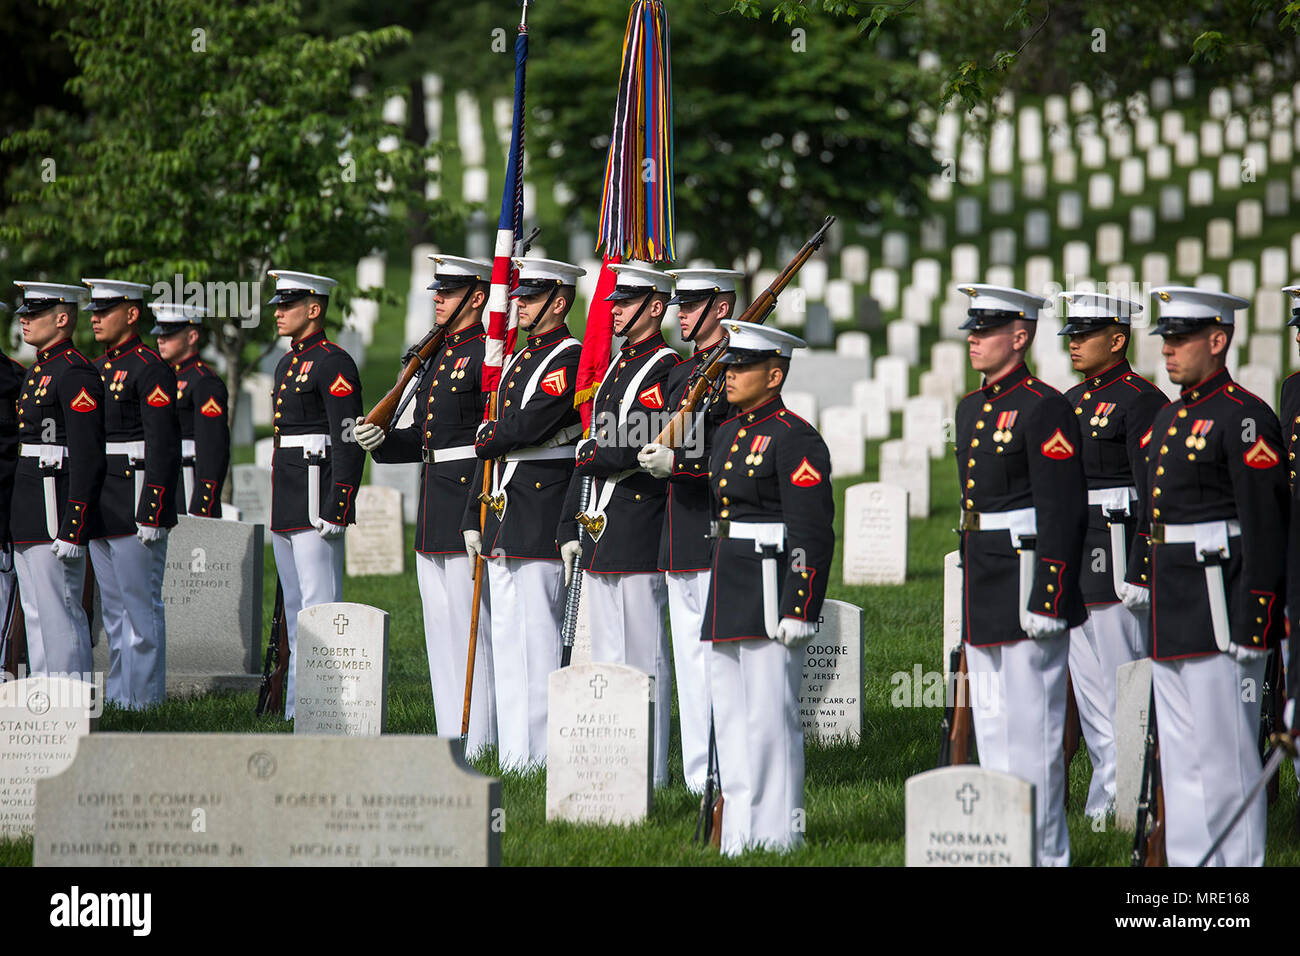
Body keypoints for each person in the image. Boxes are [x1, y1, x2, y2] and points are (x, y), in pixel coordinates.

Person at [1130, 286, 1286, 867]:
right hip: (1174, 607)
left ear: (1218, 340)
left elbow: (1266, 528)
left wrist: (1256, 623)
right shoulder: (1171, 416)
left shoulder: (1245, 418)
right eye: (1165, 339)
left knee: (1226, 761)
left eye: (1182, 339)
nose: (1168, 350)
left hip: (1222, 610)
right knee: (1184, 757)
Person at [954, 283, 1087, 867]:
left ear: (1021, 335)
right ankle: (1005, 848)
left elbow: (1063, 507)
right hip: (983, 573)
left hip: (1029, 572)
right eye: (972, 330)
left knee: (1033, 730)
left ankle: (1047, 852)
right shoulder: (970, 406)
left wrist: (1050, 591)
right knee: (992, 725)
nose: (974, 339)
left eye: (986, 330)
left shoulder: (1045, 406)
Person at [355, 254, 497, 753]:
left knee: (469, 629)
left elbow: (488, 440)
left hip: (465, 499)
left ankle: (478, 739)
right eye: (436, 289)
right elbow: (422, 436)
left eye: (449, 290)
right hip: (433, 496)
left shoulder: (486, 354)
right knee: (439, 630)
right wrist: (381, 440)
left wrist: (474, 509)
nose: (436, 296)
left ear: (477, 297)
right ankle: (448, 736)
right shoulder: (437, 354)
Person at [702, 321, 833, 855]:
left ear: (774, 374)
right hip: (729, 579)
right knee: (731, 717)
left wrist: (800, 602)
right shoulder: (730, 431)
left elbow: (811, 530)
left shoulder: (794, 437)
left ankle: (780, 833)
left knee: (770, 718)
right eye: (729, 365)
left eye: (742, 366)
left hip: (768, 583)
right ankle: (738, 833)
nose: (729, 374)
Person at [558, 261, 679, 788]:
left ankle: (649, 771)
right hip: (603, 524)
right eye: (614, 303)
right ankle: (616, 762)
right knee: (609, 653)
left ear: (656, 306)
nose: (616, 311)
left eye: (627, 302)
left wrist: (594, 453)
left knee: (642, 651)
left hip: (636, 520)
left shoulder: (664, 366)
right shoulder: (618, 366)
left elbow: (650, 439)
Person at [461, 257, 585, 769]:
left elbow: (532, 423)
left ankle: (539, 755)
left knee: (536, 636)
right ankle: (516, 754)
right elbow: (497, 433)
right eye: (520, 296)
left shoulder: (568, 355)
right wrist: (474, 513)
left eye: (530, 298)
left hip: (540, 500)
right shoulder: (518, 356)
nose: (520, 305)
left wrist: (492, 436)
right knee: (509, 637)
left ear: (558, 302)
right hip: (507, 503)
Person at [1057, 291, 1167, 822]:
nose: (1073, 342)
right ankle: (1107, 797)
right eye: (1071, 334)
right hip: (1078, 557)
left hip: (1118, 558)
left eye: (1085, 334)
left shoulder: (1141, 400)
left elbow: (1153, 491)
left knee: (1123, 682)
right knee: (1091, 690)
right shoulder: (1073, 399)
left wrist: (1142, 566)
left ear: (1117, 340)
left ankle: (1129, 796)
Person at [636, 266, 741, 793]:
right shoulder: (681, 373)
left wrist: (677, 463)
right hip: (677, 532)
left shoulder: (736, 368)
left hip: (715, 526)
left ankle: (723, 772)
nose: (679, 312)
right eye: (678, 303)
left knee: (718, 658)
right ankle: (700, 775)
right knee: (691, 661)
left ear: (721, 307)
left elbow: (729, 446)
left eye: (692, 304)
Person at [266, 269, 364, 719]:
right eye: (277, 306)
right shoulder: (288, 362)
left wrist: (339, 500)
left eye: (287, 305)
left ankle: (327, 704)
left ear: (314, 308)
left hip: (315, 495)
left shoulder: (333, 362)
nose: (278, 313)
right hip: (288, 494)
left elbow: (347, 437)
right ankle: (295, 706)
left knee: (320, 605)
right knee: (294, 608)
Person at [84, 278, 181, 709]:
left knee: (140, 609)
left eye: (105, 310)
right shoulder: (98, 367)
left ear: (132, 313)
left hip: (136, 494)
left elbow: (163, 443)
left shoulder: (150, 366)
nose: (95, 317)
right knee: (114, 611)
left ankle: (145, 701)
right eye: (94, 310)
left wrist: (155, 508)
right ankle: (122, 697)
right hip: (104, 496)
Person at [9, 283, 105, 678]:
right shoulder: (40, 370)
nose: (24, 320)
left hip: (55, 504)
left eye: (34, 313)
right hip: (31, 502)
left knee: (60, 609)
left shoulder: (73, 371)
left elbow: (87, 454)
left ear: (62, 319)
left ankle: (71, 702)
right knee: (35, 610)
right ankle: (45, 698)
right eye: (24, 313)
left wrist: (74, 522)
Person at [150, 302, 230, 518]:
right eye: (159, 333)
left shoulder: (204, 381)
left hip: (187, 481)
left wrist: (203, 503)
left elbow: (213, 448)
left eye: (169, 334)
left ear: (192, 336)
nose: (160, 339)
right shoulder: (160, 378)